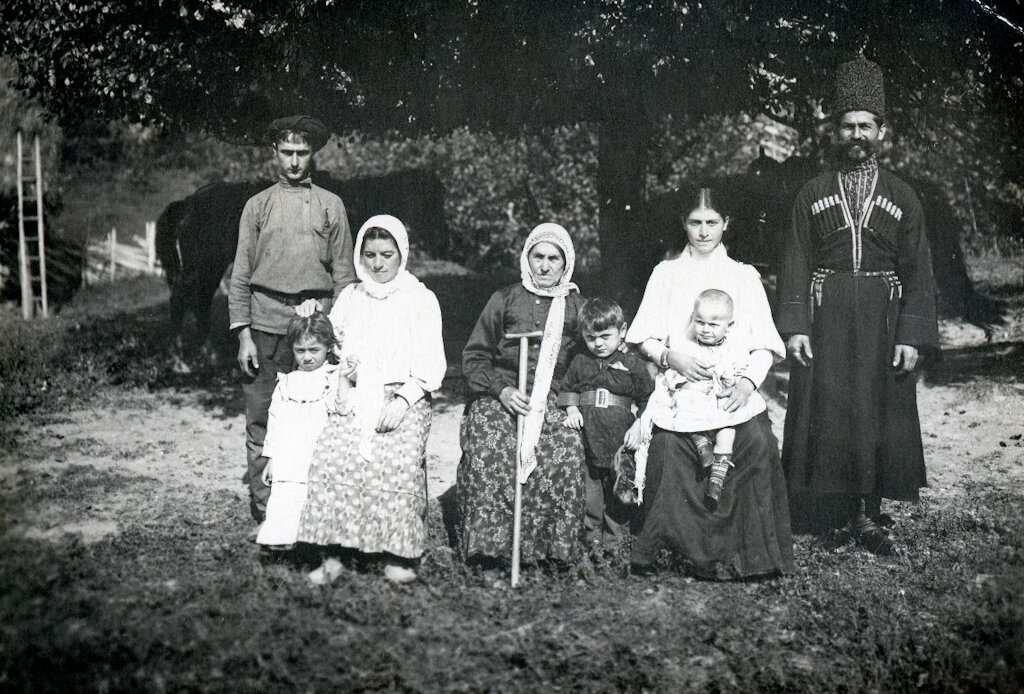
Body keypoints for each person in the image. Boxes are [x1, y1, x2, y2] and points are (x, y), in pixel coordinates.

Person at [777, 58, 938, 554]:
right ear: (835, 130)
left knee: (876, 411)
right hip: (825, 320)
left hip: (882, 323)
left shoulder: (903, 196)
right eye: (847, 125)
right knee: (828, 411)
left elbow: (919, 270)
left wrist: (911, 335)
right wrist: (796, 326)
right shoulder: (811, 193)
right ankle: (832, 513)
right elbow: (796, 262)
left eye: (865, 125)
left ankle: (869, 513)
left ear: (881, 131)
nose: (856, 134)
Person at [625, 187, 793, 579]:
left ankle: (750, 556)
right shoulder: (666, 274)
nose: (703, 232)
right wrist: (670, 356)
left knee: (757, 441)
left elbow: (765, 345)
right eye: (695, 223)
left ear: (726, 225)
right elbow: (643, 337)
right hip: (682, 390)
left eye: (711, 223)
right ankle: (677, 551)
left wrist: (748, 384)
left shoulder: (744, 276)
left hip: (731, 390)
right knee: (669, 445)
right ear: (684, 224)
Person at [297, 215, 446, 585]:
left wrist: (402, 401)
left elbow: (430, 365)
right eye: (370, 255)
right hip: (356, 391)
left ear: (402, 255)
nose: (378, 264)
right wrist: (315, 319)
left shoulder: (420, 299)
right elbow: (333, 344)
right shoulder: (351, 296)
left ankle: (399, 554)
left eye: (386, 255)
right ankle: (334, 551)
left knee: (396, 460)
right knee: (333, 456)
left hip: (404, 394)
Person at [228, 115, 356, 524]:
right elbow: (241, 275)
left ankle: (313, 508)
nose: (295, 162)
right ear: (274, 154)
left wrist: (330, 322)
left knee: (318, 417)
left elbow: (344, 277)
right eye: (287, 153)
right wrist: (243, 336)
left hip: (315, 328)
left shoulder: (330, 205)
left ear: (313, 155)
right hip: (265, 323)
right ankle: (267, 509)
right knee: (262, 417)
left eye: (302, 153)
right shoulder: (258, 206)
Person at [457, 224, 586, 566]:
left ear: (566, 263)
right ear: (526, 259)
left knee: (566, 451)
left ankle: (549, 553)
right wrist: (501, 390)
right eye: (538, 257)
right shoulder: (504, 299)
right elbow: (474, 358)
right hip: (498, 397)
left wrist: (568, 400)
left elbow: (590, 361)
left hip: (550, 402)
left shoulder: (576, 308)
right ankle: (488, 552)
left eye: (553, 259)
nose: (544, 266)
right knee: (490, 448)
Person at [634, 288, 768, 510]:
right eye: (700, 323)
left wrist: (732, 380)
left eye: (713, 325)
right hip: (694, 400)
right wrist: (684, 381)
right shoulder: (686, 346)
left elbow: (739, 370)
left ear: (729, 326)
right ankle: (701, 441)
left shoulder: (734, 348)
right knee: (686, 403)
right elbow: (674, 375)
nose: (705, 330)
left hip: (719, 398)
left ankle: (718, 471)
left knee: (729, 421)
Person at [559, 298, 653, 548]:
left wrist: (639, 426)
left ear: (622, 332)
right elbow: (567, 388)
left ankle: (616, 547)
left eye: (605, 336)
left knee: (618, 492)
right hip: (588, 437)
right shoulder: (580, 361)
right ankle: (591, 544)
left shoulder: (633, 364)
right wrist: (571, 409)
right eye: (591, 337)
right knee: (591, 494)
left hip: (620, 439)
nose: (598, 343)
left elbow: (648, 400)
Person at [255, 313, 354, 550]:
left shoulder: (332, 376)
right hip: (290, 453)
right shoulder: (287, 382)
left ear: (328, 348)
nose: (307, 357)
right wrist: (271, 458)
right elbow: (275, 421)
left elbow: (342, 408)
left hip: (319, 451)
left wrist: (344, 379)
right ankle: (280, 541)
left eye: (314, 350)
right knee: (285, 492)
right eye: (300, 351)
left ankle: (312, 543)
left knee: (313, 495)